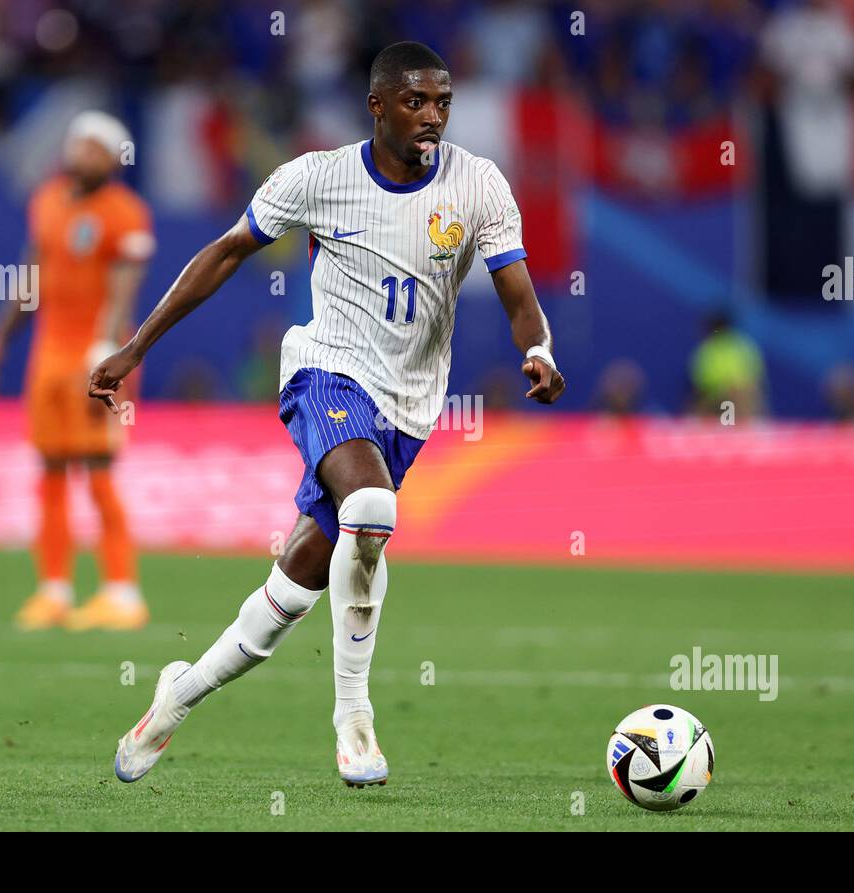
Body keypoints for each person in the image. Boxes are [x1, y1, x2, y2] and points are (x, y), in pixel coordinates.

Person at [90, 42, 566, 788]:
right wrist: (136, 346)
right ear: (377, 106)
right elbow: (224, 253)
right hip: (327, 372)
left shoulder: (477, 184)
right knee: (371, 509)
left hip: (409, 407)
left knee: (295, 588)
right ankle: (353, 719)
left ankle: (176, 698)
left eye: (442, 102)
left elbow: (517, 292)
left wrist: (537, 348)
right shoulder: (318, 177)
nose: (432, 117)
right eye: (416, 102)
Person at [0, 111, 155, 631]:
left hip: (96, 358)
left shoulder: (125, 212)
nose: (83, 153)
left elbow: (124, 285)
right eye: (80, 144)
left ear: (114, 159)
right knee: (51, 469)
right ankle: (53, 589)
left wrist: (103, 349)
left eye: (96, 147)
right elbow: (31, 277)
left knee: (97, 469)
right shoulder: (47, 201)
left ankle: (122, 593)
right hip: (47, 356)